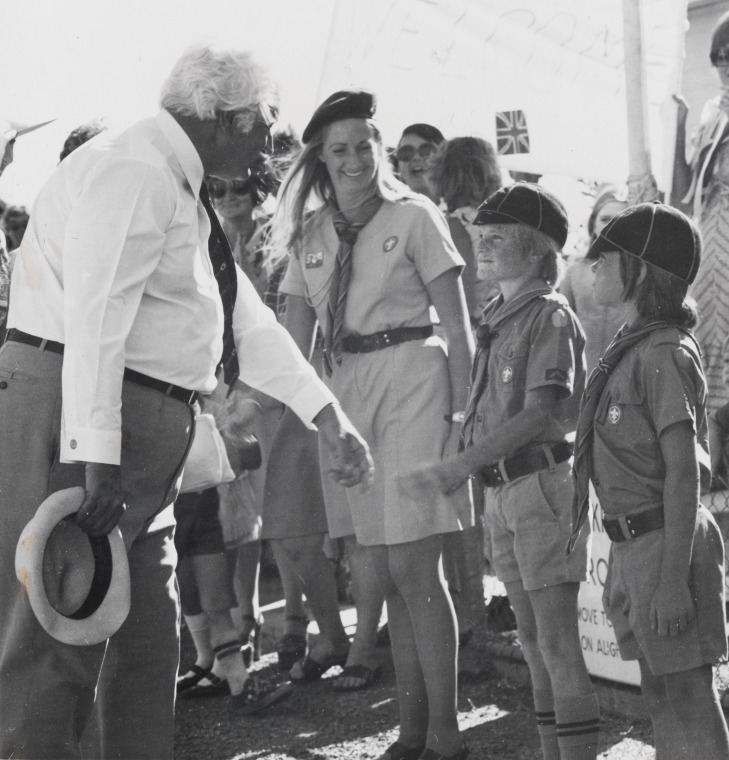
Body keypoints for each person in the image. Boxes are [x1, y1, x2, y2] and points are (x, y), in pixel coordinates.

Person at [0, 45, 373, 760]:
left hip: (126, 442)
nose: (272, 141)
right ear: (228, 117)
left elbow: (237, 321)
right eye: (267, 122)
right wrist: (95, 461)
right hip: (80, 430)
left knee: (142, 651)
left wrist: (325, 415)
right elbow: (97, 319)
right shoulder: (136, 168)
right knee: (53, 648)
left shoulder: (172, 178)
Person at [273, 89, 474, 759]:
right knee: (380, 573)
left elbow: (458, 328)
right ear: (320, 159)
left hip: (415, 378)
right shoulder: (308, 236)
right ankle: (412, 731)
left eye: (365, 144)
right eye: (341, 149)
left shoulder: (414, 217)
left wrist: (458, 420)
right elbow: (293, 346)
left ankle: (443, 734)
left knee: (416, 566)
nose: (356, 159)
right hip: (347, 392)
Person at [403, 183, 600, 760]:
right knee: (534, 641)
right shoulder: (499, 316)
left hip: (540, 485)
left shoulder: (549, 316)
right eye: (478, 237)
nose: (482, 248)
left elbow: (541, 412)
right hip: (506, 491)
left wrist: (460, 463)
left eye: (497, 238)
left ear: (540, 251)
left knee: (558, 642)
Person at [569, 201, 729, 758]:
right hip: (634, 543)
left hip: (668, 543)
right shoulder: (633, 346)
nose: (593, 269)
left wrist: (669, 582)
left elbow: (684, 472)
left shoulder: (661, 352)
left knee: (688, 691)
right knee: (659, 693)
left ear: (639, 268)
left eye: (604, 258)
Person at [673, 11, 729, 484]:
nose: (725, 64)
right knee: (710, 371)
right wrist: (679, 124)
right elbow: (681, 194)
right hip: (711, 250)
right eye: (719, 55)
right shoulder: (713, 115)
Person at [559, 185, 629, 373]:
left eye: (619, 220)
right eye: (605, 219)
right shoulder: (574, 271)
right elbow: (560, 328)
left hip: (625, 374)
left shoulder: (640, 274)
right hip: (580, 374)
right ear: (594, 225)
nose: (611, 226)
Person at [394, 122, 444, 204]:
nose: (416, 158)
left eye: (426, 151)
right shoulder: (389, 212)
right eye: (406, 152)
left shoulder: (464, 212)